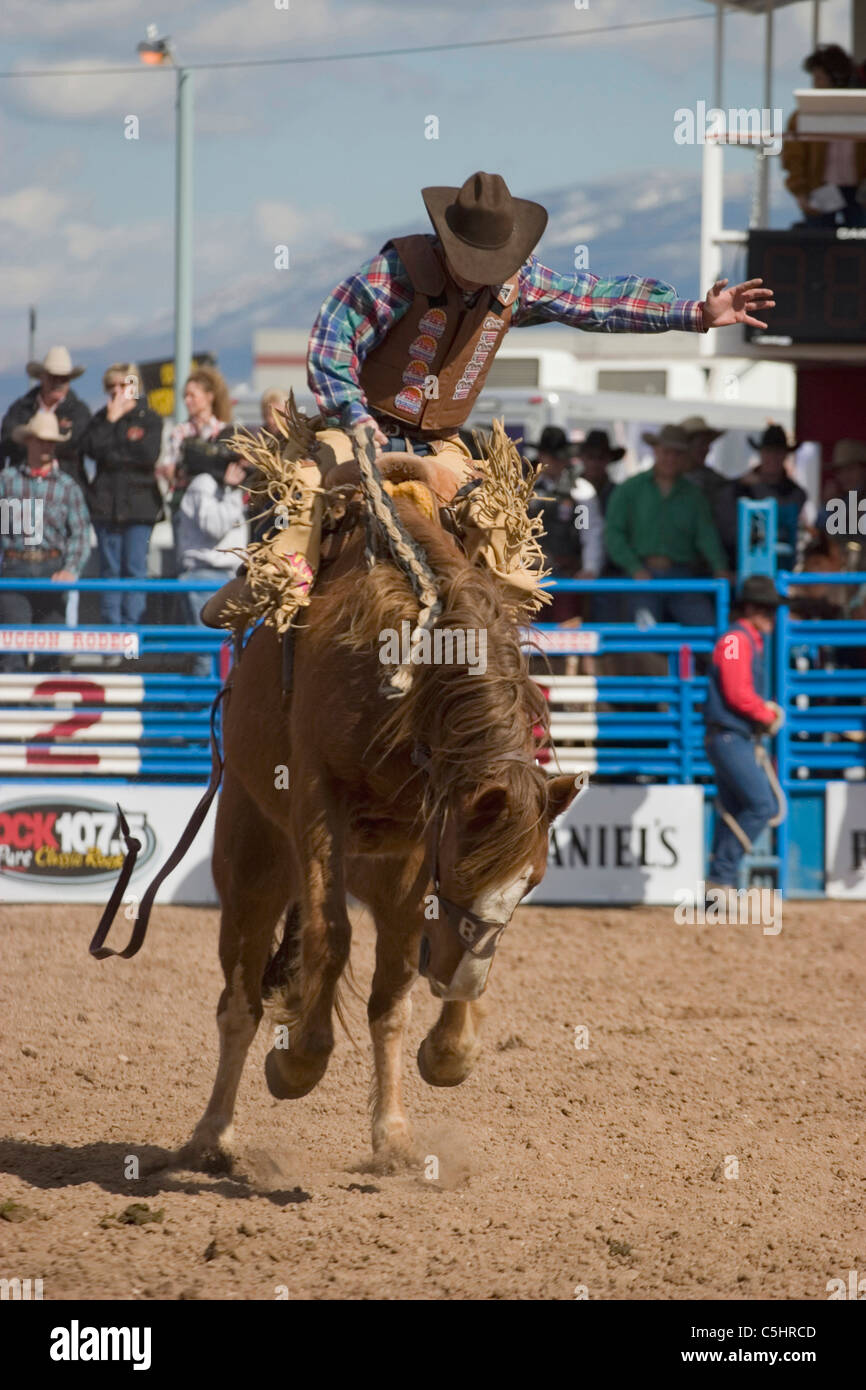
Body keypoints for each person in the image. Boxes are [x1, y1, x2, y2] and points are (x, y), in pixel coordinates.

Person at [201, 170, 774, 628]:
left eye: (491, 266)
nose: (481, 277)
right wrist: (353, 415)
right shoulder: (396, 271)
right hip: (359, 424)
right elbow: (334, 337)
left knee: (494, 519)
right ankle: (275, 579)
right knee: (309, 489)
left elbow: (593, 300)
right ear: (447, 244)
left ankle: (491, 631)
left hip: (437, 438)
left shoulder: (514, 282)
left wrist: (694, 313)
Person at [604, 423, 730, 627]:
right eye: (666, 452)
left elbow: (707, 536)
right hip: (642, 574)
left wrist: (720, 567)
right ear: (655, 451)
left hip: (681, 576)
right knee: (645, 637)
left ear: (685, 457)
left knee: (708, 629)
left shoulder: (694, 496)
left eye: (677, 454)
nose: (671, 459)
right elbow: (613, 534)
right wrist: (634, 567)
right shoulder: (629, 489)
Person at [704, 576, 785, 889]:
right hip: (729, 735)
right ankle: (722, 876)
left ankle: (718, 882)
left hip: (731, 735)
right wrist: (765, 714)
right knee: (761, 805)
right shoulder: (737, 641)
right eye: (766, 611)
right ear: (750, 609)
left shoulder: (741, 640)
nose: (771, 617)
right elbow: (737, 692)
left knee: (738, 808)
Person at [0, 411, 91, 672]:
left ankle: (41, 710)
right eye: (40, 440)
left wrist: (70, 569)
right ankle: (12, 711)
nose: (46, 446)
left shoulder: (67, 486)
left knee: (49, 651)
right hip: (14, 570)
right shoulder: (7, 481)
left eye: (50, 441)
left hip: (52, 570)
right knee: (11, 650)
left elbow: (81, 534)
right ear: (28, 441)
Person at [82, 364, 163, 627]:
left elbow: (147, 454)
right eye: (112, 387)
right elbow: (93, 449)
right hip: (106, 506)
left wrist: (116, 452)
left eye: (123, 385)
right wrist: (111, 421)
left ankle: (132, 631)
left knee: (135, 570)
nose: (117, 392)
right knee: (110, 571)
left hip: (139, 507)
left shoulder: (149, 418)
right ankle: (111, 633)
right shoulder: (101, 419)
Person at [175, 459, 248, 677]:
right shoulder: (204, 483)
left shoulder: (229, 489)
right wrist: (230, 490)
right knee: (207, 651)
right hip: (203, 574)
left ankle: (218, 707)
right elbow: (214, 528)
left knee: (229, 649)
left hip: (228, 574)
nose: (244, 471)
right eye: (240, 465)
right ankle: (201, 708)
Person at [781, 44, 866, 229]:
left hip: (859, 193)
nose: (815, 83)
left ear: (837, 78)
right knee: (819, 246)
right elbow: (793, 157)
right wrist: (800, 192)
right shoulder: (802, 117)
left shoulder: (861, 112)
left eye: (820, 77)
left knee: (859, 249)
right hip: (821, 188)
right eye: (815, 77)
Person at [528, 425, 603, 622]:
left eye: (560, 457)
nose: (555, 462)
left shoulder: (581, 492)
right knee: (529, 630)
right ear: (542, 456)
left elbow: (588, 532)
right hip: (528, 573)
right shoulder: (522, 488)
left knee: (567, 626)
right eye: (551, 456)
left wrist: (589, 568)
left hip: (566, 572)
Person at [0, 346, 91, 487]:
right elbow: (7, 439)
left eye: (63, 379)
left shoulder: (79, 412)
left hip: (65, 490)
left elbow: (78, 442)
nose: (58, 383)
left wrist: (31, 441)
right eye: (53, 377)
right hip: (23, 489)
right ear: (42, 377)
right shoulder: (20, 408)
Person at [158, 365, 233, 504]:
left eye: (192, 395)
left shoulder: (225, 431)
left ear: (209, 397)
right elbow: (169, 467)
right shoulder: (180, 432)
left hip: (216, 499)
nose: (187, 401)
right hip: (185, 500)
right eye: (185, 396)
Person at [736, 425, 806, 568]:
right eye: (768, 451)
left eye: (778, 452)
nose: (773, 457)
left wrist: (758, 486)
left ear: (785, 455)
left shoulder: (796, 492)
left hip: (781, 566)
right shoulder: (737, 488)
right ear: (760, 453)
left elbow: (780, 517)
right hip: (742, 564)